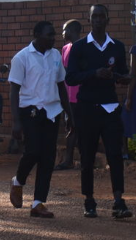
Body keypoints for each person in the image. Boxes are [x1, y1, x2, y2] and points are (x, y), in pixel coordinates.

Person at [66, 4, 133, 219]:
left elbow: (122, 73)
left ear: (107, 20)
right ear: (89, 20)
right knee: (87, 156)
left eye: (101, 16)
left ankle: (118, 201)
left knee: (115, 154)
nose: (97, 20)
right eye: (94, 16)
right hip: (86, 108)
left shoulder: (117, 46)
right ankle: (89, 200)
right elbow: (71, 77)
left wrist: (123, 78)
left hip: (110, 107)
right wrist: (94, 73)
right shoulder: (79, 47)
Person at [8, 21, 73, 219]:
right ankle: (18, 181)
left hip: (52, 112)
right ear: (36, 34)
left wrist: (69, 113)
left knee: (48, 157)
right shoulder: (22, 58)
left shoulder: (55, 55)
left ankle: (38, 203)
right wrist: (16, 121)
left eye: (54, 35)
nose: (53, 38)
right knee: (33, 151)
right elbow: (14, 90)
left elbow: (61, 85)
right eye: (49, 35)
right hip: (30, 111)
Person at [55, 19, 83, 170]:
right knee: (70, 126)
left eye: (64, 30)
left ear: (72, 31)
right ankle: (70, 160)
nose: (62, 33)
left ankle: (72, 160)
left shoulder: (83, 47)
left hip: (80, 94)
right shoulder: (65, 48)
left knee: (78, 127)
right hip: (68, 94)